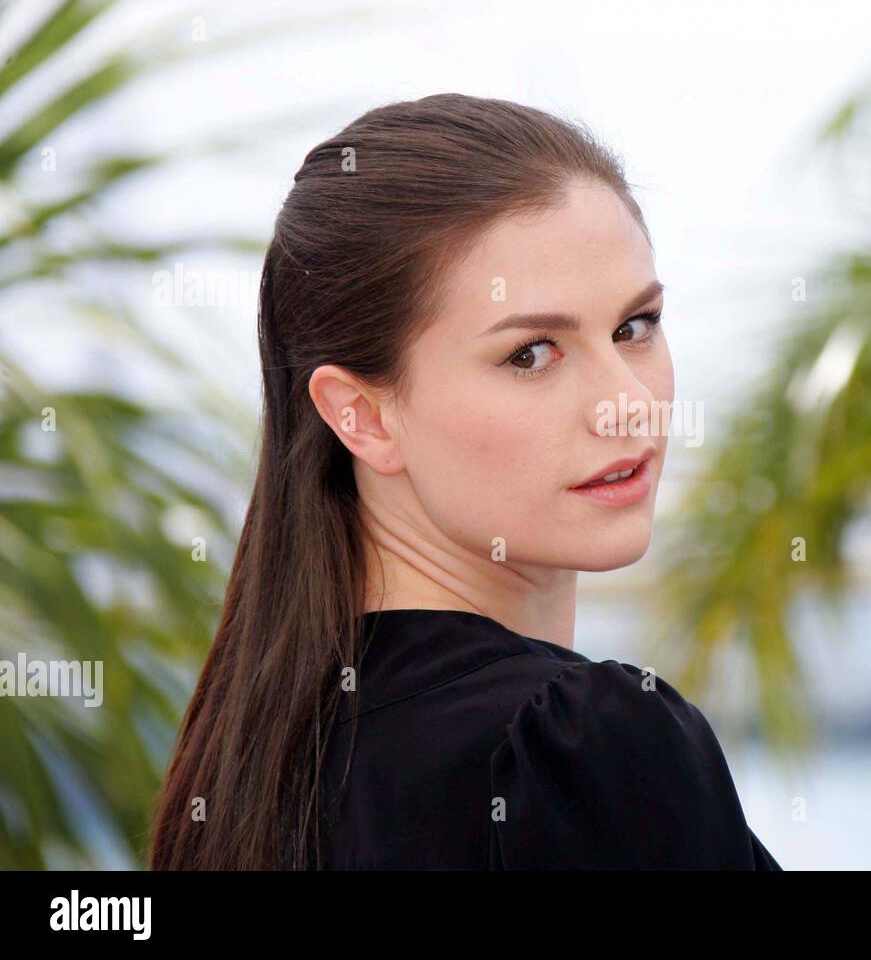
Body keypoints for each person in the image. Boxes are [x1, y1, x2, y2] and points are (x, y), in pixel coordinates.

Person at [149, 93, 781, 870]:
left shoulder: (253, 770)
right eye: (532, 354)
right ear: (363, 418)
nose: (626, 405)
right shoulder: (584, 751)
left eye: (634, 327)